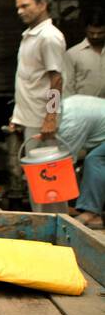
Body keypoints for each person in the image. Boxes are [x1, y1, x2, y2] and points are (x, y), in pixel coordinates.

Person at [10, 0, 66, 210]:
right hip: (31, 118)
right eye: (18, 7)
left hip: (43, 122)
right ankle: (44, 227)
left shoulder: (49, 37)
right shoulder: (31, 35)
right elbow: (29, 80)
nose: (19, 11)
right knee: (37, 182)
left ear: (42, 5)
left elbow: (57, 79)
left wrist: (51, 117)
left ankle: (54, 230)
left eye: (25, 6)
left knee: (49, 184)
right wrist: (17, 116)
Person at [58, 94, 105, 229]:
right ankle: (82, 206)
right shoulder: (57, 108)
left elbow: (63, 163)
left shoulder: (70, 124)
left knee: (95, 159)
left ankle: (91, 213)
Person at [65, 10, 105, 98]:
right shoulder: (73, 54)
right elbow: (67, 87)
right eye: (92, 33)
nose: (95, 36)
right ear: (86, 30)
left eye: (100, 33)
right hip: (82, 108)